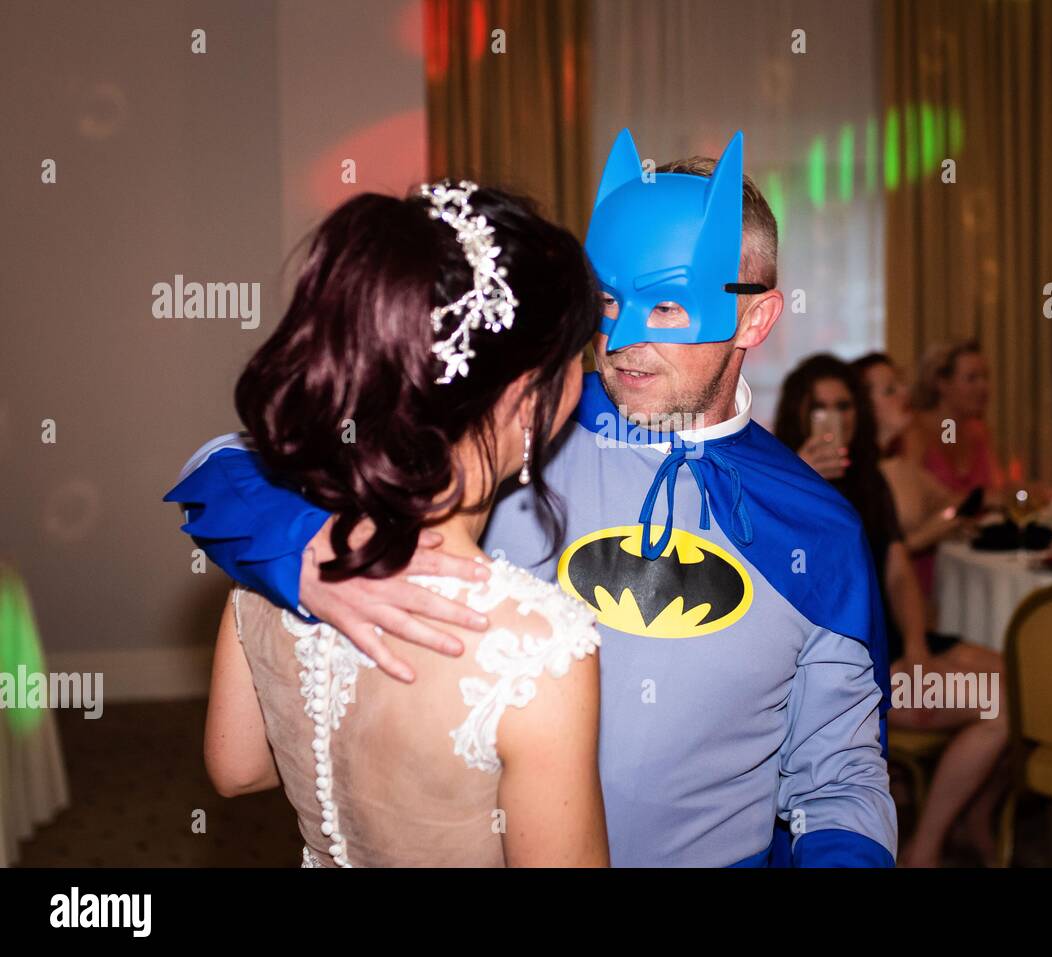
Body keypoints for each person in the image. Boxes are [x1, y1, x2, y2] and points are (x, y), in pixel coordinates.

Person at [169, 129, 898, 867]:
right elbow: (226, 466)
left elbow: (839, 777)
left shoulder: (817, 528)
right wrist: (300, 549)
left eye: (669, 310)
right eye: (607, 301)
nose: (620, 340)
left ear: (753, 318)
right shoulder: (510, 438)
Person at [196, 185, 608, 867]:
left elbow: (236, 767)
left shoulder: (274, 566)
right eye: (575, 359)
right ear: (523, 396)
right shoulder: (538, 647)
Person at [776, 354, 1006, 867]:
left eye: (845, 405)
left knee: (1022, 679)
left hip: (893, 641)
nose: (838, 417)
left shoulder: (869, 480)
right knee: (1002, 706)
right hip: (840, 662)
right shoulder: (779, 481)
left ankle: (974, 821)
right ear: (799, 414)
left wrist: (920, 650)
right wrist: (801, 483)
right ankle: (925, 847)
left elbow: (900, 571)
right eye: (820, 408)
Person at [854, 353, 971, 569]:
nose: (905, 392)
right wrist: (924, 537)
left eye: (900, 384)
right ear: (863, 408)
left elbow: (951, 500)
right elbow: (860, 555)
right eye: (890, 390)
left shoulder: (897, 464)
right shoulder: (853, 473)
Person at [906, 339, 1004, 502]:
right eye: (972, 378)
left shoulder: (978, 432)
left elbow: (998, 489)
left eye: (985, 377)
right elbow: (913, 501)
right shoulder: (915, 432)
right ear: (942, 383)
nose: (983, 387)